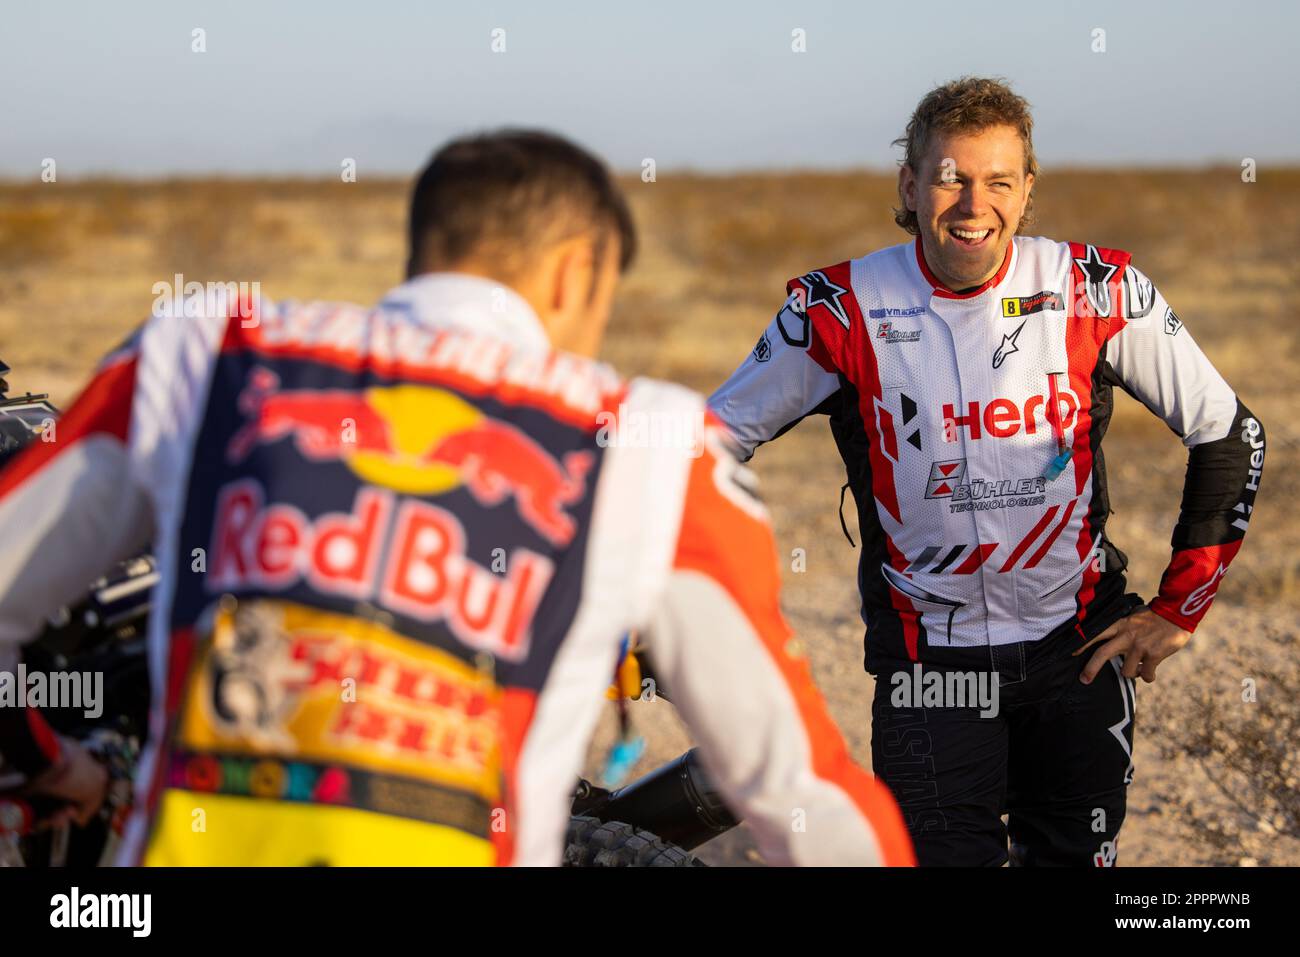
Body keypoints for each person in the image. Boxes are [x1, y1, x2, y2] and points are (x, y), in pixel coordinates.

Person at [0, 130, 913, 866]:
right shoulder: (651, 443)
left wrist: (54, 761)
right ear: (577, 276)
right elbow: (805, 791)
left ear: (424, 250)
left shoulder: (199, 354)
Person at [708, 78, 1265, 866]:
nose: (974, 204)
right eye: (950, 178)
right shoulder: (836, 307)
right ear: (909, 184)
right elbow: (703, 445)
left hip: (1076, 654)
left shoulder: (1095, 287)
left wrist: (1179, 610)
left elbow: (1231, 431)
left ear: (1027, 189)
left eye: (999, 181)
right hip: (932, 672)